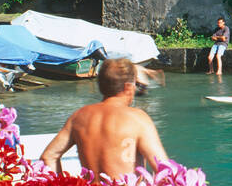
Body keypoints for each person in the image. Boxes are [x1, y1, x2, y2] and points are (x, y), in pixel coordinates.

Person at [39, 58, 168, 178]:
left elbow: (48, 157)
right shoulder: (138, 119)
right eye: (135, 85)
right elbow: (164, 169)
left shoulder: (78, 117)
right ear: (128, 87)